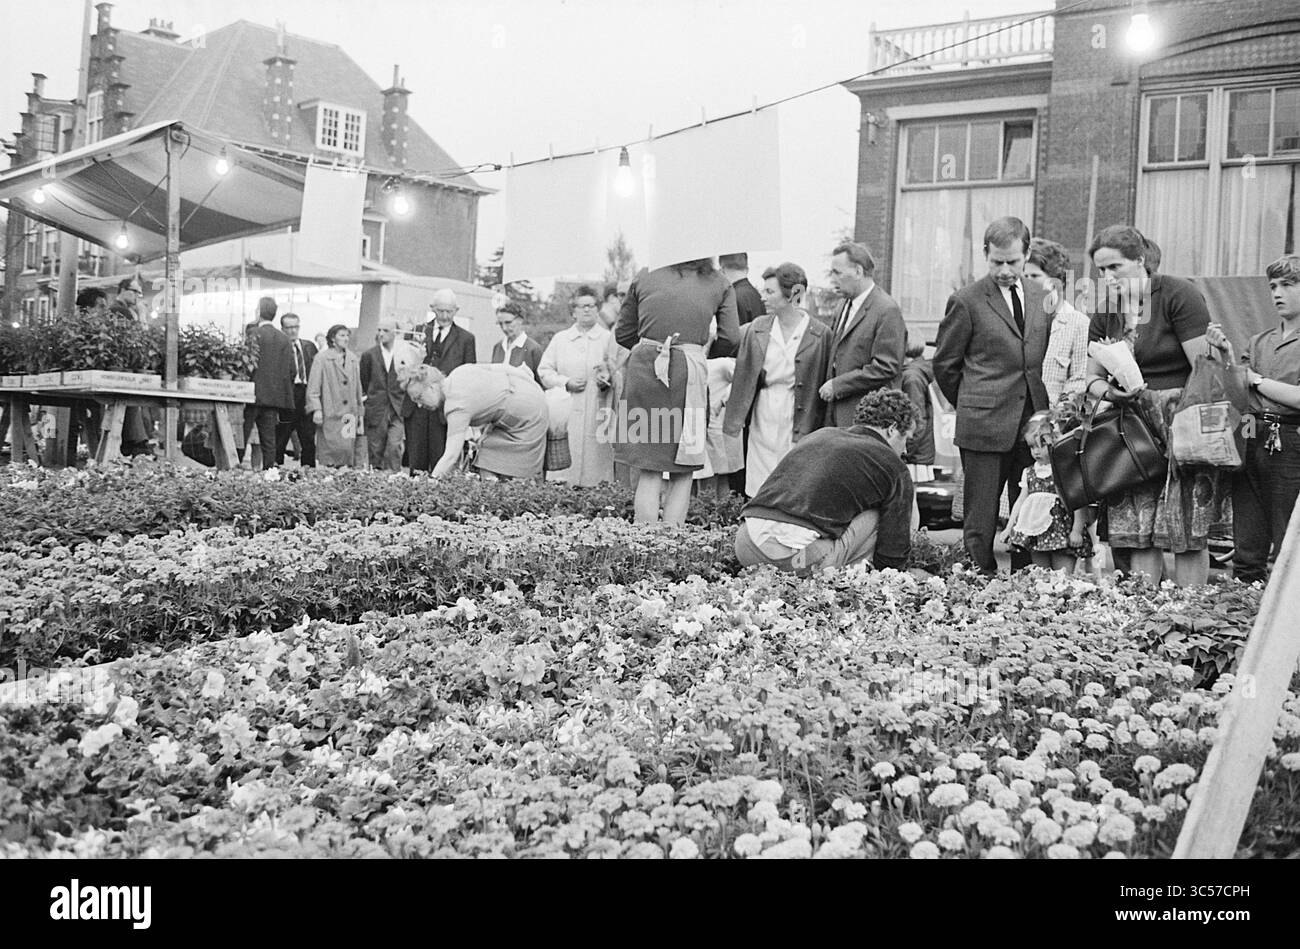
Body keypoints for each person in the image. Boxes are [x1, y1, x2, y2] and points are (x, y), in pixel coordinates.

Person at [1084, 224, 1227, 587]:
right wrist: (1111, 393)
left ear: (1141, 261)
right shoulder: (1106, 310)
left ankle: (1191, 610)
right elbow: (1090, 378)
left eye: (1114, 267)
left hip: (1180, 420)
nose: (1107, 277)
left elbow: (1202, 369)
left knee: (1186, 527)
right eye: (1100, 270)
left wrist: (1181, 423)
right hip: (1131, 426)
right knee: (1141, 526)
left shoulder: (1178, 294)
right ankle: (1149, 611)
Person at [934, 216, 1051, 575]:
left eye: (1012, 262)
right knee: (980, 515)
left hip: (1030, 424)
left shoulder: (1041, 297)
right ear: (985, 254)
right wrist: (974, 402)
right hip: (983, 424)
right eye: (996, 261)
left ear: (1026, 254)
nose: (1004, 269)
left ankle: (1024, 578)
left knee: (1029, 508)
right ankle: (976, 579)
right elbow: (945, 365)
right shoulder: (965, 300)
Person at [734, 389, 917, 575]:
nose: (905, 451)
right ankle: (851, 581)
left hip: (746, 544)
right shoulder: (893, 464)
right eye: (906, 439)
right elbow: (893, 548)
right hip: (797, 560)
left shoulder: (819, 435)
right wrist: (895, 575)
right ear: (892, 429)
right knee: (880, 515)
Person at [614, 258, 741, 524]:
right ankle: (671, 544)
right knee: (683, 471)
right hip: (689, 374)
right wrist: (696, 348)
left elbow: (624, 333)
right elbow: (731, 337)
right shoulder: (719, 282)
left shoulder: (645, 274)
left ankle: (644, 543)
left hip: (644, 371)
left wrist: (652, 342)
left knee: (649, 468)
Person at [1206, 254, 1300, 584]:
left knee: (1289, 545)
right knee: (1247, 546)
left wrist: (1257, 381)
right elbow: (1239, 391)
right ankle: (1242, 620)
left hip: (1291, 442)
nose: (1277, 292)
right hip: (1251, 433)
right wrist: (1227, 357)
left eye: (1288, 285)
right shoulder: (1260, 340)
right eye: (1273, 285)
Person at [724, 262, 830, 496]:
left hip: (800, 416)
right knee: (759, 483)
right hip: (763, 412)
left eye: (770, 292)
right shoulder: (758, 329)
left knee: (794, 482)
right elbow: (742, 372)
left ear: (794, 293)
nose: (763, 297)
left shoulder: (819, 334)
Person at [821, 241, 906, 429]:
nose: (833, 280)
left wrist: (838, 385)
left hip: (867, 420)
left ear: (858, 272)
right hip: (837, 417)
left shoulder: (886, 310)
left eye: (837, 273)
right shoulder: (842, 306)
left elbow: (886, 366)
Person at [538, 285, 614, 486]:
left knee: (596, 468)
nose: (586, 310)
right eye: (581, 307)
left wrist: (607, 380)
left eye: (591, 306)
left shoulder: (608, 339)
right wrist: (565, 382)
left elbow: (618, 371)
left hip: (598, 412)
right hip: (567, 411)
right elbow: (544, 370)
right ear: (573, 312)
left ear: (598, 309)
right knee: (565, 472)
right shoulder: (561, 339)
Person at [419, 362, 547, 480]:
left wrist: (432, 482)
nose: (419, 405)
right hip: (529, 394)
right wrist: (529, 381)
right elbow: (503, 367)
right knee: (486, 457)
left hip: (528, 416)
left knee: (515, 472)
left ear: (431, 388)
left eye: (419, 397)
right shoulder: (459, 372)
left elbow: (451, 455)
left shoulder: (456, 406)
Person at [999, 411, 1091, 572]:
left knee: (1062, 575)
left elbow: (1078, 501)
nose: (1036, 451)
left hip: (1061, 531)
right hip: (1037, 533)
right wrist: (1009, 527)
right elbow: (1021, 501)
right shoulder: (1029, 472)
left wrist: (1076, 530)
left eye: (1041, 446)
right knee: (1040, 574)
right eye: (1031, 447)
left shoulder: (1064, 471)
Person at [404, 290, 477, 474]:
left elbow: (468, 377)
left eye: (449, 312)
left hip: (445, 410)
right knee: (416, 465)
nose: (445, 316)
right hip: (417, 409)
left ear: (456, 310)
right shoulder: (416, 332)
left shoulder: (466, 339)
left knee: (442, 462)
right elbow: (403, 372)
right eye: (440, 311)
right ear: (432, 309)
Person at [1025, 237, 1090, 406]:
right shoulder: (1016, 319)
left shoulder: (1078, 324)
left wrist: (1053, 418)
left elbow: (1079, 380)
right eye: (1024, 276)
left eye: (1034, 275)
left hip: (1054, 422)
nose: (1027, 281)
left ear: (1057, 280)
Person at [306, 323, 364, 467]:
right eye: (342, 335)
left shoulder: (353, 359)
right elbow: (313, 386)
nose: (345, 339)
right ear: (333, 338)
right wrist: (317, 409)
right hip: (329, 413)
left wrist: (360, 415)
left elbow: (358, 388)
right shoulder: (322, 358)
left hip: (349, 416)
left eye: (347, 336)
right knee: (329, 451)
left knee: (347, 451)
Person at [248, 296, 295, 469]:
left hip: (251, 395)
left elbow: (246, 364)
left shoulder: (253, 334)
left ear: (259, 311)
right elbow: (292, 370)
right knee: (269, 440)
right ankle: (269, 473)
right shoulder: (284, 339)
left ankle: (233, 474)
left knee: (242, 436)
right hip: (273, 398)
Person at [359, 319, 411, 470]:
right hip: (377, 407)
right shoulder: (369, 355)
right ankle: (375, 478)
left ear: (396, 333)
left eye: (386, 330)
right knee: (375, 448)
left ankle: (393, 476)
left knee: (394, 445)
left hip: (398, 406)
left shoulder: (404, 354)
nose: (381, 334)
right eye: (379, 330)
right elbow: (365, 379)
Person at [276, 312, 317, 467]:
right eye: (289, 327)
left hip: (306, 395)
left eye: (296, 327)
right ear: (282, 329)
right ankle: (276, 470)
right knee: (281, 436)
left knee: (308, 438)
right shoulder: (280, 348)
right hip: (288, 396)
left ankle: (309, 470)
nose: (293, 331)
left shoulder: (309, 346)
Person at [491, 301, 543, 385]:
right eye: (500, 324)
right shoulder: (498, 347)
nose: (504, 328)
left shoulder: (533, 349)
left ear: (520, 320)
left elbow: (542, 384)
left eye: (508, 323)